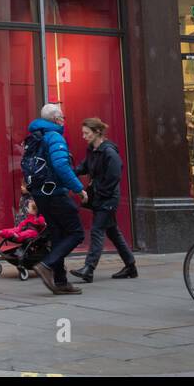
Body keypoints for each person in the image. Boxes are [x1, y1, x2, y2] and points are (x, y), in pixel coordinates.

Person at [26, 103, 88, 295]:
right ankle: (46, 264)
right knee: (76, 232)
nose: (63, 120)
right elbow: (61, 166)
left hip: (41, 193)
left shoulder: (35, 137)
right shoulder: (54, 137)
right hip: (54, 194)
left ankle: (61, 282)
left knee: (58, 234)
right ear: (55, 119)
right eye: (62, 117)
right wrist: (79, 189)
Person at [70, 118, 138, 283]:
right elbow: (84, 167)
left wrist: (100, 192)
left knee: (97, 230)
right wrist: (70, 173)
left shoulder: (109, 152)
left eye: (87, 133)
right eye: (83, 133)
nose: (83, 136)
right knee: (112, 232)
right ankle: (130, 266)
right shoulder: (93, 150)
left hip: (107, 198)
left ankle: (89, 268)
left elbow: (115, 175)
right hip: (101, 197)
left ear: (97, 132)